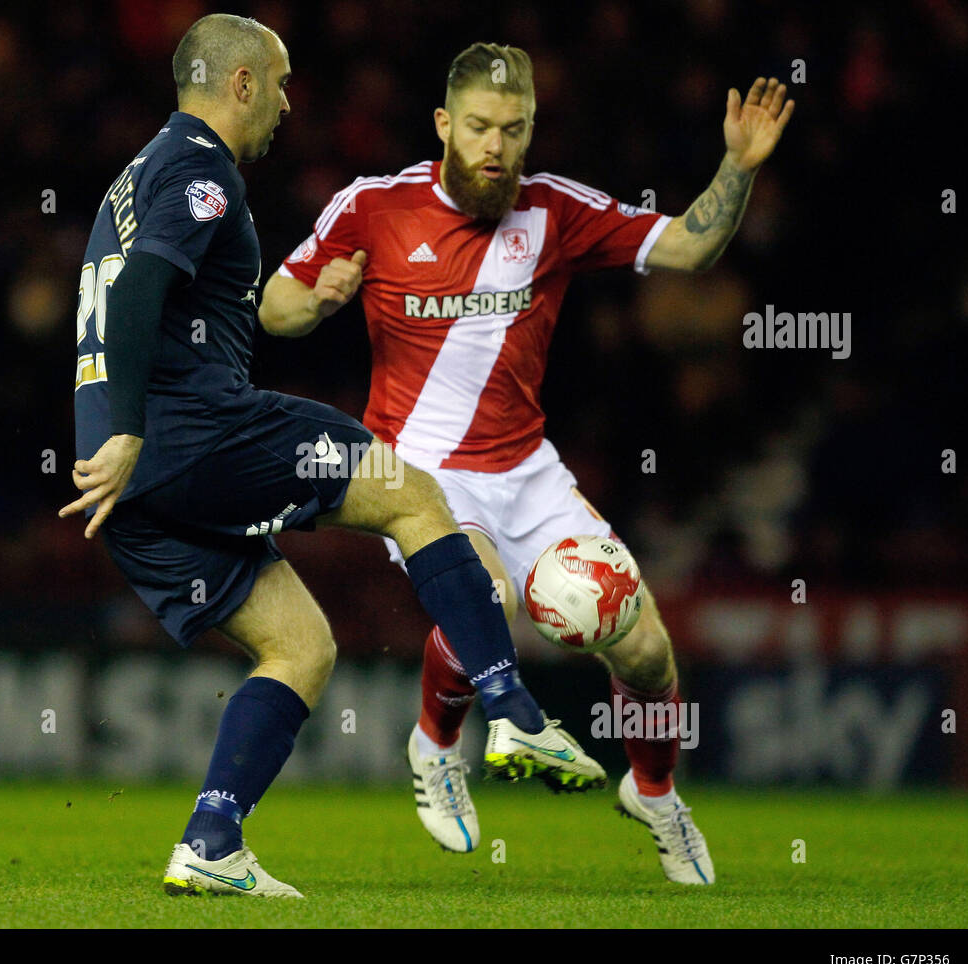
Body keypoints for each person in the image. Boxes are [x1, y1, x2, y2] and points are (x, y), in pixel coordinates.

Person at [59, 16, 604, 898]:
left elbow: (138, 294)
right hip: (186, 434)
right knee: (411, 493)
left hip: (127, 482)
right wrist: (131, 428)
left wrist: (116, 438)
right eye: (276, 82)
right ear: (239, 86)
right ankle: (512, 710)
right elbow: (141, 291)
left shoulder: (138, 173)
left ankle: (211, 843)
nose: (285, 99)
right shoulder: (199, 171)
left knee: (301, 645)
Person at [259, 43, 793, 884]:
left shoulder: (555, 211)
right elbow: (273, 304)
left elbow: (691, 247)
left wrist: (737, 167)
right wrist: (319, 299)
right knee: (486, 593)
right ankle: (437, 745)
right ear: (444, 124)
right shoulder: (373, 207)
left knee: (646, 649)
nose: (494, 147)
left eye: (512, 130)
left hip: (527, 468)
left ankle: (655, 794)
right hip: (414, 469)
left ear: (531, 130)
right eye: (477, 127)